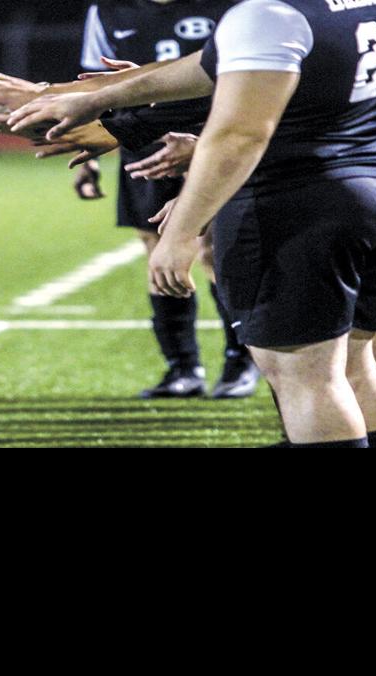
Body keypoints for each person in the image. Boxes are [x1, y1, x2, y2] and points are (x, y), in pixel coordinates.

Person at [8, 0, 376, 447]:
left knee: (307, 376)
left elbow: (240, 134)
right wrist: (102, 95)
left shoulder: (268, 13)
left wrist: (185, 228)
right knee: (358, 364)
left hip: (298, 202)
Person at [78, 0, 258, 400]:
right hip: (143, 143)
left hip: (214, 139)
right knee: (156, 247)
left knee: (214, 250)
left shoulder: (233, 6)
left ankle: (240, 360)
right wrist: (89, 160)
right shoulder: (108, 10)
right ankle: (182, 368)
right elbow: (96, 85)